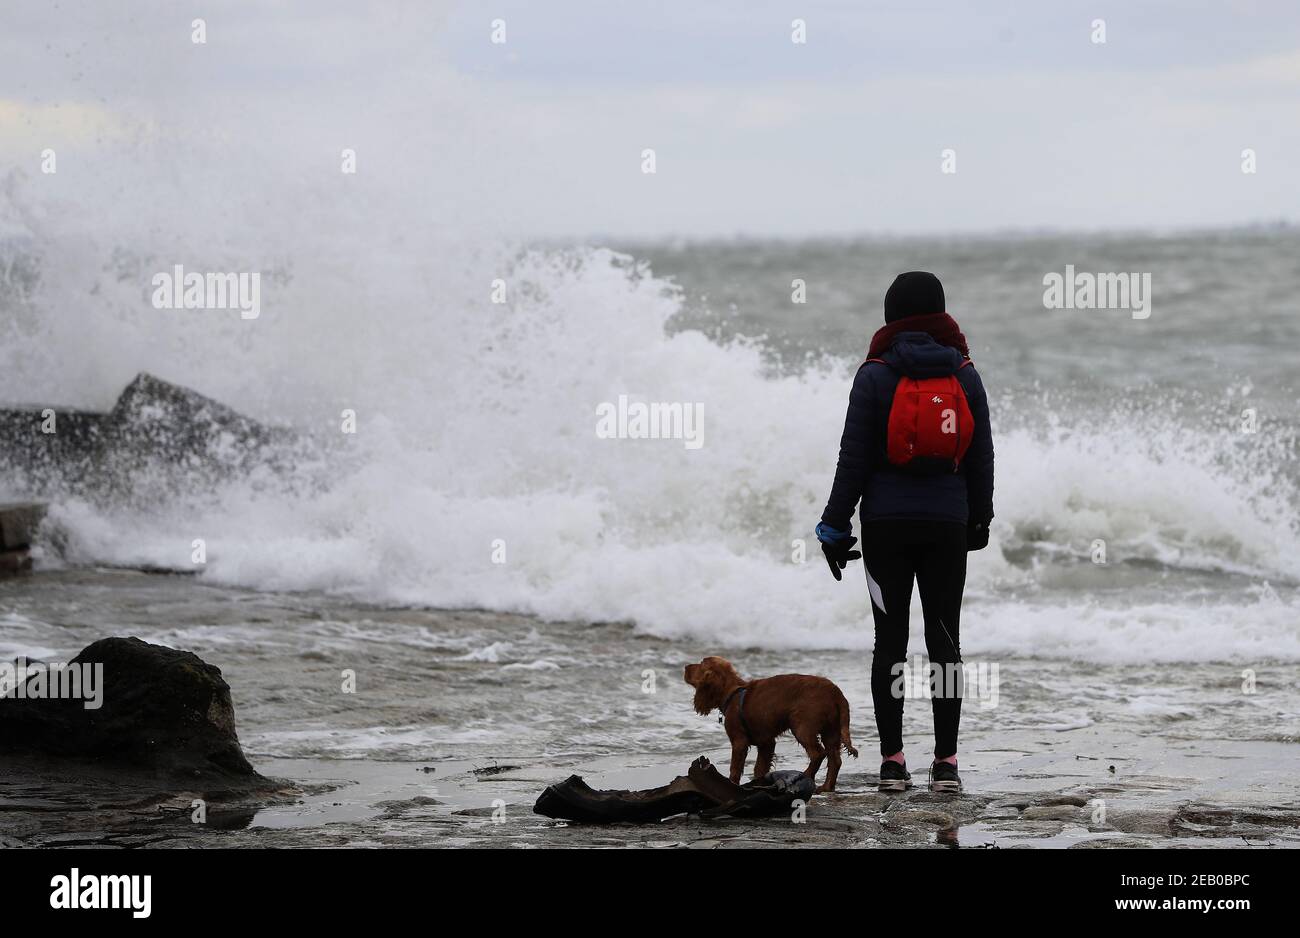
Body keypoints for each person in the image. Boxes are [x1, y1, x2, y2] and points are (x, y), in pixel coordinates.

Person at [815, 271, 994, 793]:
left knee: (889, 642)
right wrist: (978, 517)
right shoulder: (964, 373)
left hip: (885, 528)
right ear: (940, 314)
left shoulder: (873, 375)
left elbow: (854, 459)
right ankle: (947, 765)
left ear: (891, 315)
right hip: (946, 526)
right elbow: (981, 455)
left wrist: (833, 524)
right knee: (945, 642)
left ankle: (892, 762)